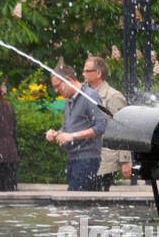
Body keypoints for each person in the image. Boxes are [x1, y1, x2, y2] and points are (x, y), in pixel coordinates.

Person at [44, 65, 106, 191]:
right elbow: (67, 128)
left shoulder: (90, 96)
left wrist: (72, 136)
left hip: (87, 158)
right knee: (76, 203)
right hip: (73, 158)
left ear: (69, 80)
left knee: (75, 202)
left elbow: (101, 126)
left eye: (57, 86)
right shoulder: (68, 100)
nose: (56, 90)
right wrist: (56, 133)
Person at [83, 55, 130, 190]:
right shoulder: (82, 93)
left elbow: (122, 129)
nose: (83, 74)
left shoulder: (113, 96)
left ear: (98, 73)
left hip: (105, 160)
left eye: (87, 71)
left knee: (98, 199)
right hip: (84, 156)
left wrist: (125, 160)